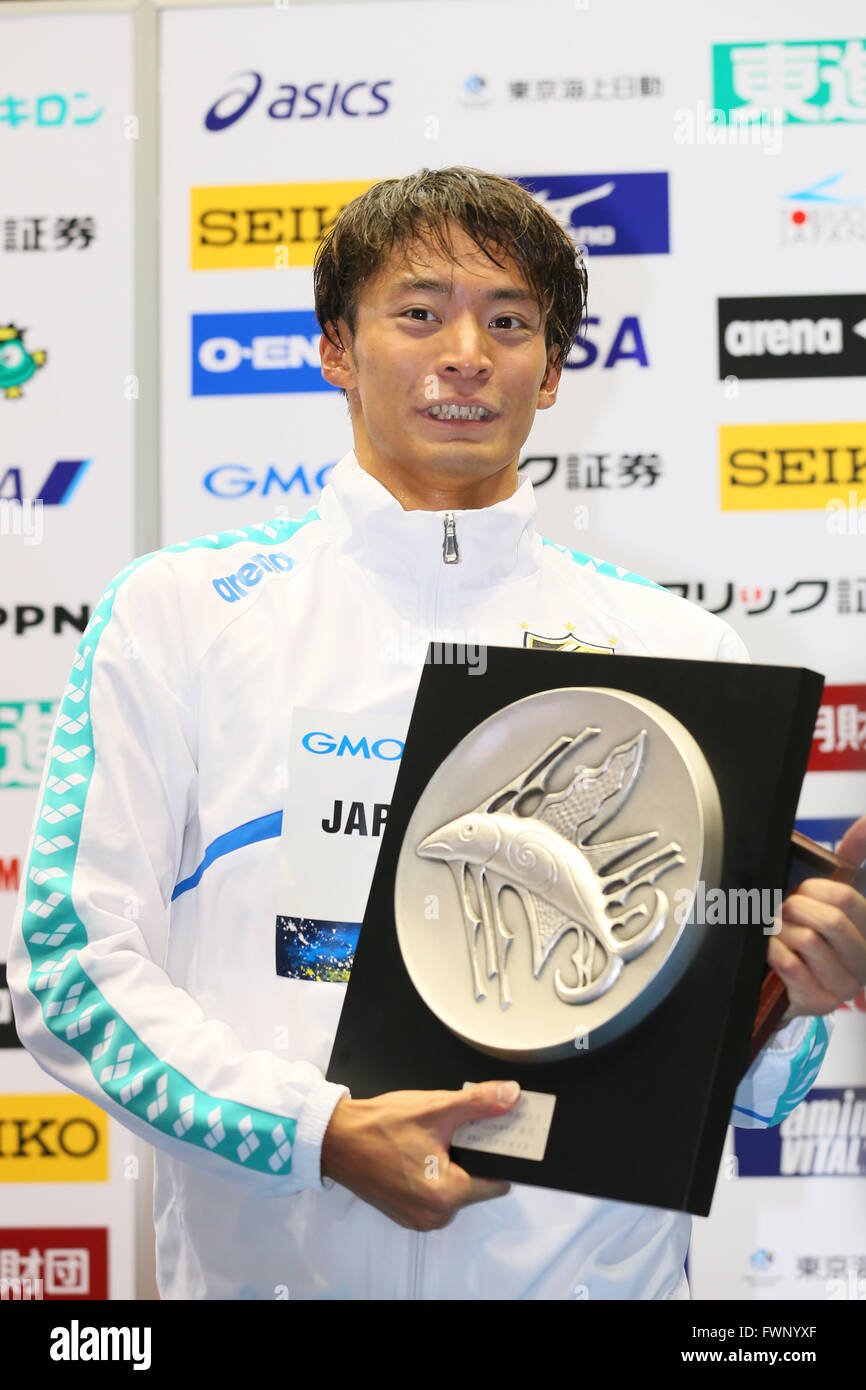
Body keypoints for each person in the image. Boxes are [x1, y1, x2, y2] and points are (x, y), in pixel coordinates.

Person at [9, 167, 866, 1300]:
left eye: (509, 321)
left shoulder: (680, 653)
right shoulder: (182, 614)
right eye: (417, 313)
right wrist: (311, 1133)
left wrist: (793, 989)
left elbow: (735, 1069)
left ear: (551, 370)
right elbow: (71, 966)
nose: (465, 350)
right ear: (335, 348)